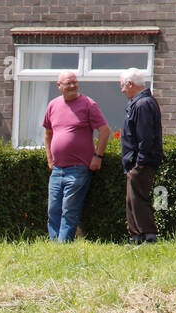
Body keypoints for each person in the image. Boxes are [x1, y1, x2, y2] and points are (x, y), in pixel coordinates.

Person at [43, 71, 111, 242]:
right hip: (57, 169)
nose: (72, 86)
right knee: (53, 210)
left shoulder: (88, 104)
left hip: (78, 168)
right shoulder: (53, 105)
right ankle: (54, 244)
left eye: (75, 82)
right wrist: (50, 159)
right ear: (59, 86)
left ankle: (63, 246)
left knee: (69, 210)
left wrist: (97, 156)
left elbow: (104, 131)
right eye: (68, 83)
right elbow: (48, 134)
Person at [120, 68, 163, 245]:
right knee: (132, 199)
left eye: (122, 86)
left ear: (130, 84)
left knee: (138, 199)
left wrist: (140, 163)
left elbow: (145, 136)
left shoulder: (142, 104)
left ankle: (147, 235)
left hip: (140, 162)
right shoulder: (141, 102)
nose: (122, 90)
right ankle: (136, 236)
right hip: (136, 162)